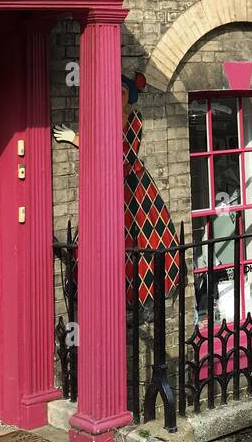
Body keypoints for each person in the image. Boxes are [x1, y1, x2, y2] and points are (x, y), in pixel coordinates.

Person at [54, 71, 179, 306]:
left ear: (128, 96)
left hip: (132, 187)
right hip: (108, 184)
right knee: (99, 238)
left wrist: (76, 139)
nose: (117, 97)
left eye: (122, 92)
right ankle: (98, 292)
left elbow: (122, 155)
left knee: (140, 240)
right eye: (113, 92)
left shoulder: (135, 120)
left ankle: (141, 295)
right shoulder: (103, 121)